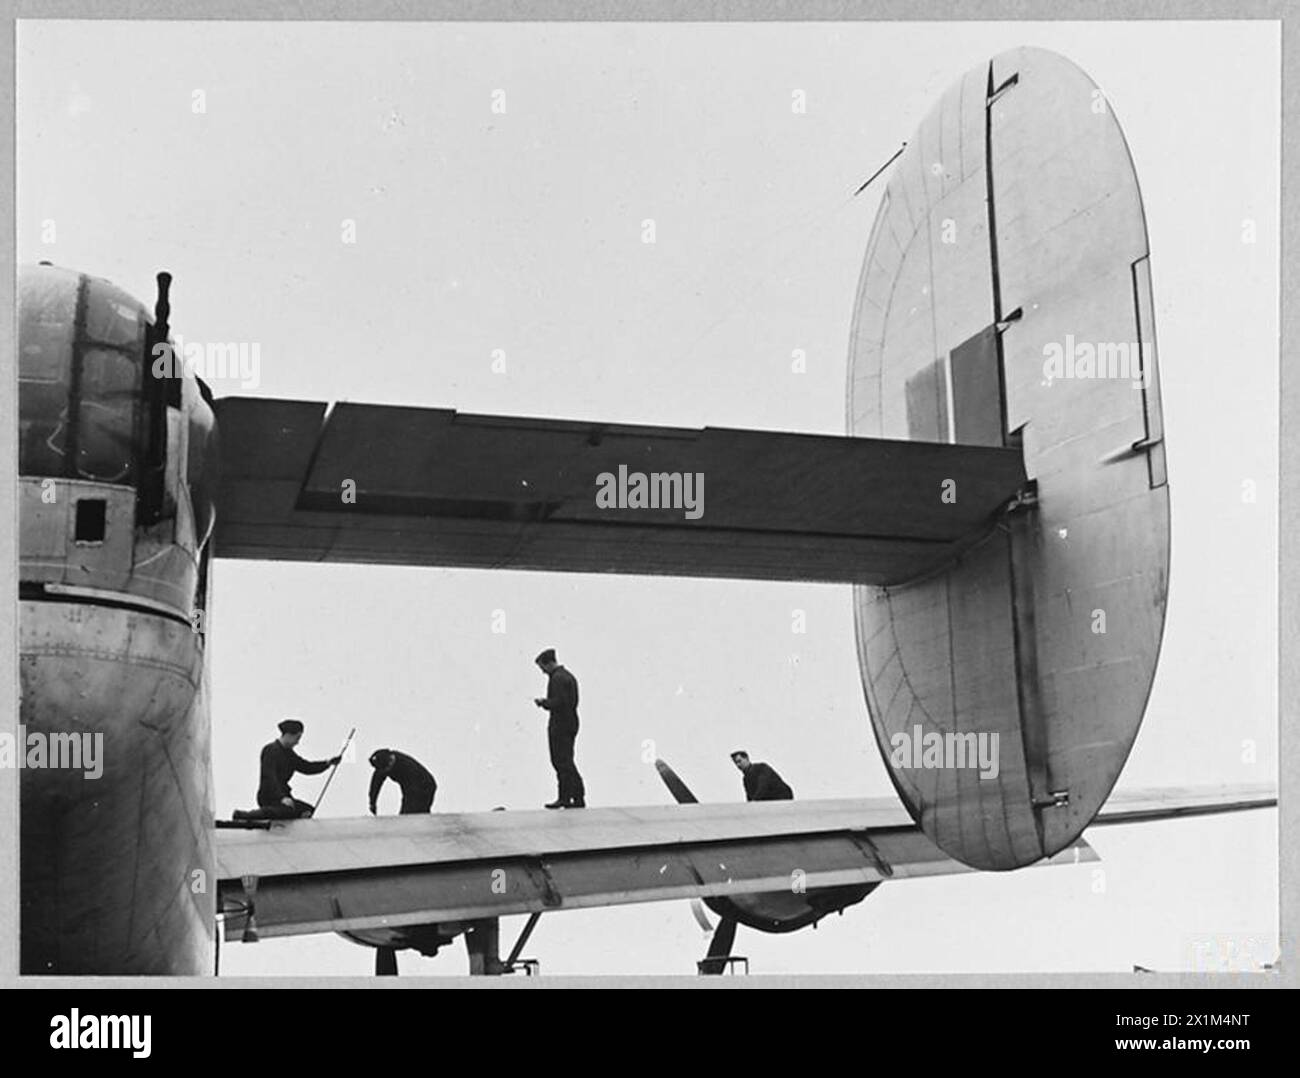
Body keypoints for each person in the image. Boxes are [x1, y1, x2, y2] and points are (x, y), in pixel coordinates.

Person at [234, 719, 340, 820]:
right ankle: (243, 815)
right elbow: (269, 777)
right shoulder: (270, 750)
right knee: (286, 810)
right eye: (297, 738)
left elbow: (306, 767)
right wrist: (281, 798)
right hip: (269, 796)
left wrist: (327, 763)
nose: (297, 742)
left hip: (284, 796)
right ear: (288, 735)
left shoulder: (289, 754)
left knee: (308, 810)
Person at [534, 648, 585, 808]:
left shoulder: (557, 679)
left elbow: (559, 702)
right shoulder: (568, 676)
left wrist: (544, 702)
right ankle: (577, 797)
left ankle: (565, 797)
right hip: (570, 722)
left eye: (542, 667)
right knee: (567, 761)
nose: (542, 671)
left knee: (560, 761)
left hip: (560, 724)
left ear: (548, 664)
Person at [368, 748, 438, 815]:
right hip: (411, 788)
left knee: (414, 813)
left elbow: (410, 792)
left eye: (390, 765)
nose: (389, 768)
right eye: (385, 769)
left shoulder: (407, 767)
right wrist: (372, 803)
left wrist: (406, 811)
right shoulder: (382, 767)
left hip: (425, 786)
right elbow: (375, 785)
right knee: (409, 814)